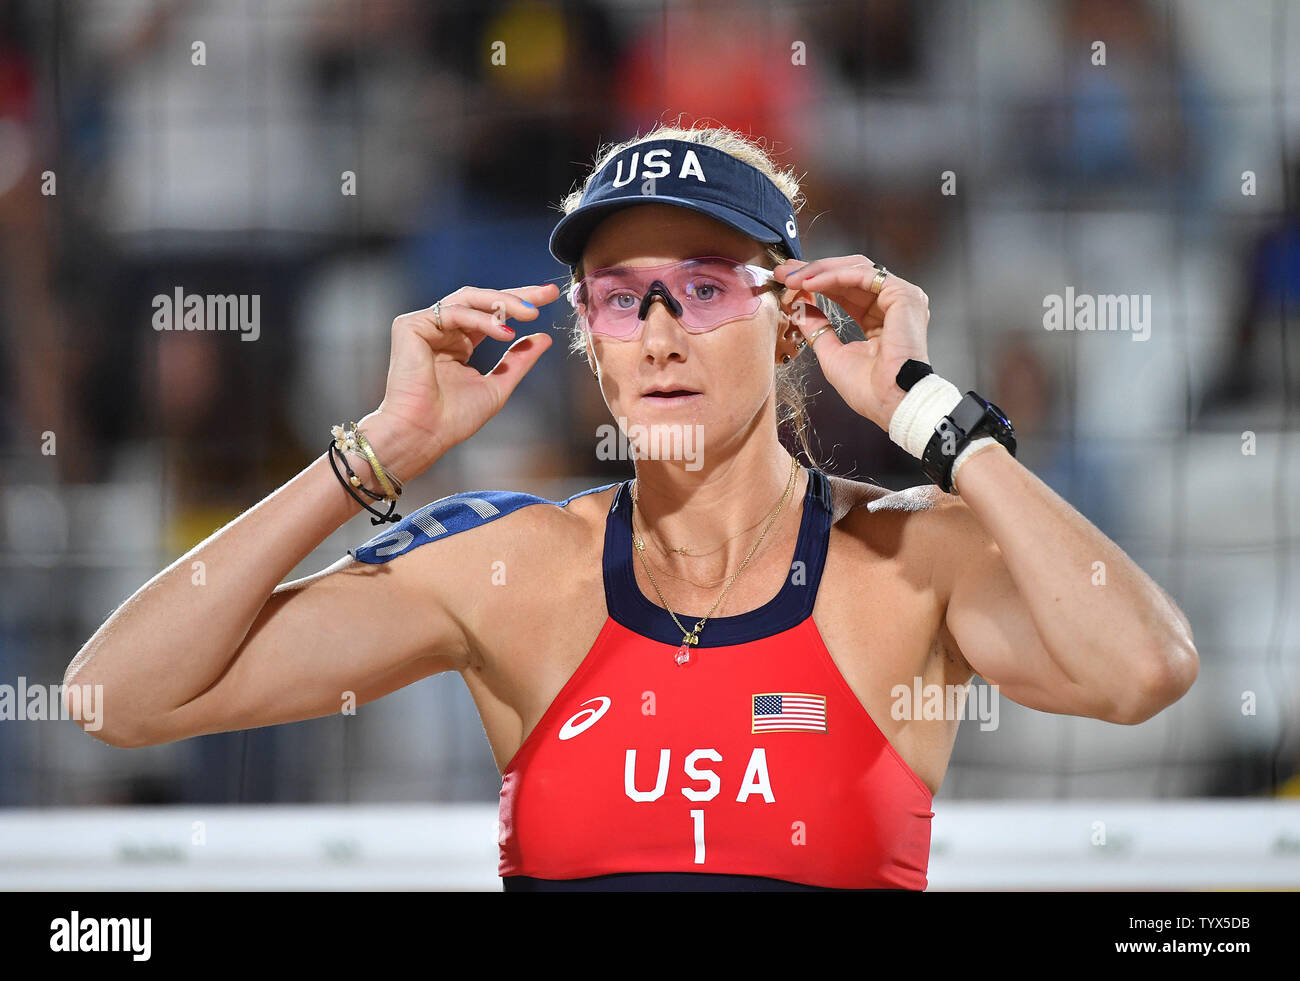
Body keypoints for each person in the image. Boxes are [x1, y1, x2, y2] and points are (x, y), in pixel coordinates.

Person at [64, 123, 1199, 891]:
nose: (659, 333)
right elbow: (116, 696)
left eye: (706, 287)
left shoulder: (907, 558)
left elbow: (1142, 668)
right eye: (620, 298)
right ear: (588, 344)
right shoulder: (510, 571)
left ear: (795, 321)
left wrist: (931, 419)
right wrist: (377, 451)